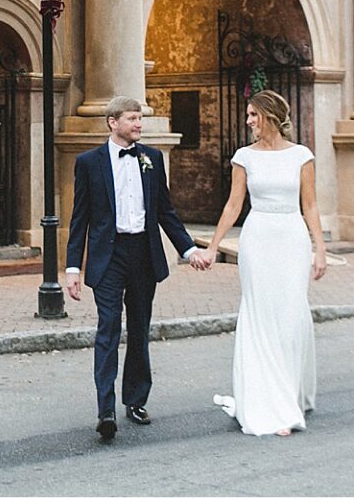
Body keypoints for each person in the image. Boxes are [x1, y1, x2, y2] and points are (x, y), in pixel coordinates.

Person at [65, 95, 210, 442]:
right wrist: (73, 268)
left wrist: (189, 249)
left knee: (140, 330)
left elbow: (165, 211)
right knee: (108, 330)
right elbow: (79, 219)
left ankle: (136, 399)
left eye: (140, 119)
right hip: (109, 256)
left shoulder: (152, 158)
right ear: (113, 122)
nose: (139, 125)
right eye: (133, 119)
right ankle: (106, 409)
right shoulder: (89, 163)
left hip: (143, 255)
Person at [193, 89, 327, 436]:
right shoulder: (244, 157)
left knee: (290, 313)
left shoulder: (301, 156)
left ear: (268, 116)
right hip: (258, 238)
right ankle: (270, 403)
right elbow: (233, 206)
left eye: (253, 115)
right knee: (260, 314)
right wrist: (214, 246)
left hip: (292, 238)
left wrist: (320, 249)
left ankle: (290, 393)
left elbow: (310, 205)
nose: (249, 121)